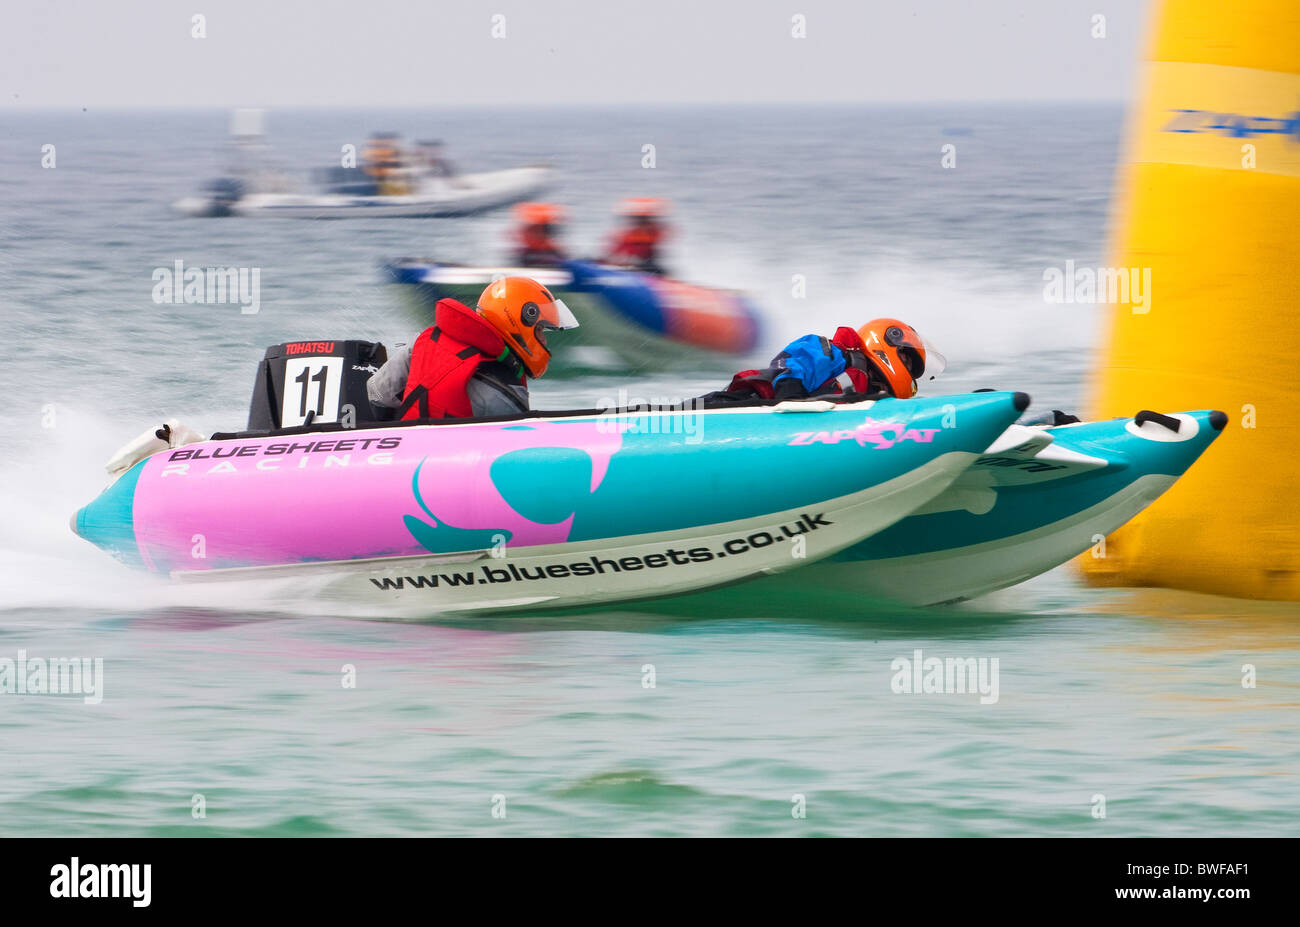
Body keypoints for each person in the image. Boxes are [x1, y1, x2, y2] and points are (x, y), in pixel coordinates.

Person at [367, 276, 579, 420]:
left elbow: (376, 392)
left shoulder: (425, 339)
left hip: (398, 455)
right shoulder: (507, 394)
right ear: (520, 323)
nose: (544, 341)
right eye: (541, 330)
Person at [712, 318, 945, 402]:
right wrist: (789, 395)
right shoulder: (839, 354)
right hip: (741, 405)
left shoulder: (876, 398)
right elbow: (797, 360)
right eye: (907, 361)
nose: (906, 370)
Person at [604, 197, 670, 275]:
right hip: (627, 266)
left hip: (646, 267)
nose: (640, 222)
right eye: (638, 219)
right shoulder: (626, 235)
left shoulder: (655, 233)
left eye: (643, 219)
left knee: (656, 269)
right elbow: (614, 253)